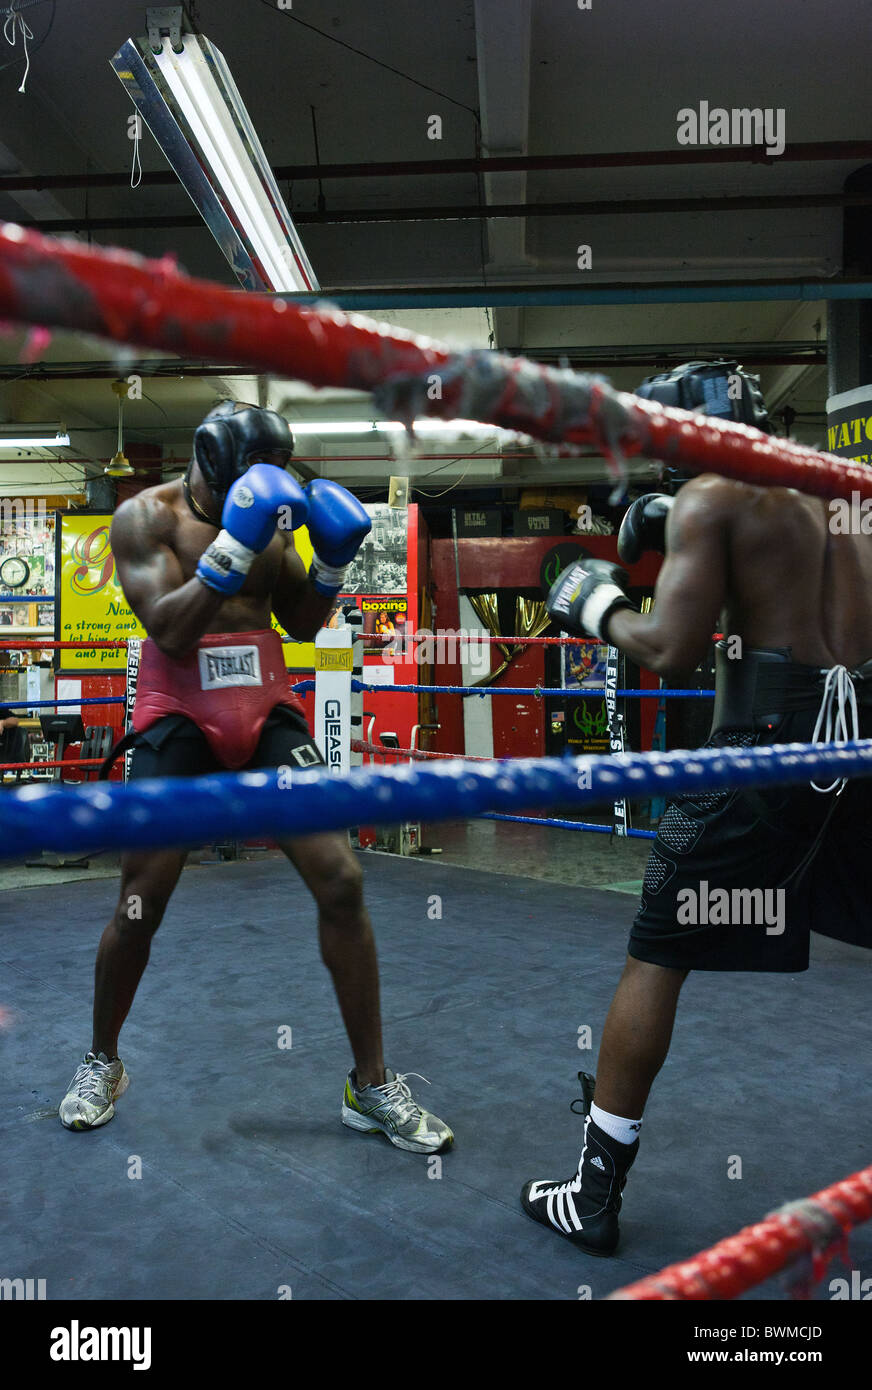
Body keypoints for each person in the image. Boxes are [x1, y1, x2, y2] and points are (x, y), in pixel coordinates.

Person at [59, 401, 453, 1156]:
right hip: (177, 709)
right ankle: (101, 1061)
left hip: (264, 702)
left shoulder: (276, 510)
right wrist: (234, 545)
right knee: (143, 898)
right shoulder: (145, 519)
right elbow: (170, 628)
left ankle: (370, 1085)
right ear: (210, 466)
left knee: (340, 877)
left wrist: (332, 562)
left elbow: (302, 624)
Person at [522, 460, 872, 1255]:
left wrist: (595, 604)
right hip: (857, 745)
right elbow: (856, 634)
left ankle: (592, 1193)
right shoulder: (846, 489)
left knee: (657, 951)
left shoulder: (716, 498)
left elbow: (669, 650)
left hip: (763, 752)